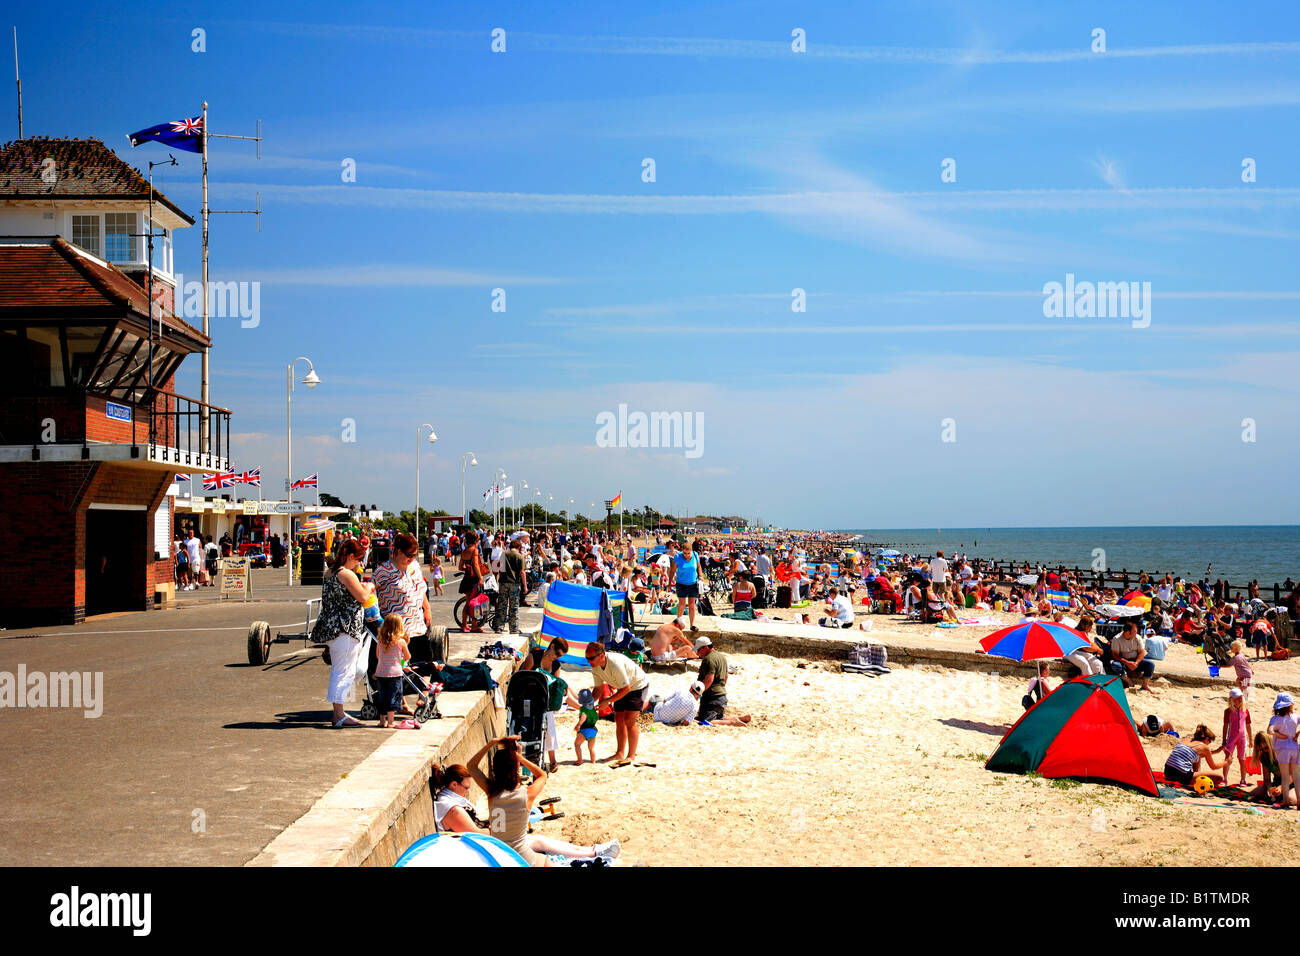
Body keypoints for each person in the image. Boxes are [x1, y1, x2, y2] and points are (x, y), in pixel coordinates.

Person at [466, 735, 619, 866]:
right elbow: (542, 775)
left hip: (498, 852)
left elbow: (471, 766)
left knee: (537, 840)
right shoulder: (526, 793)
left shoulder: (491, 792)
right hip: (519, 856)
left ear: (495, 769)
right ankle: (594, 853)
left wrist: (492, 742)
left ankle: (595, 851)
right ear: (516, 767)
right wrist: (520, 757)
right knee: (545, 861)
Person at [319, 539, 373, 728]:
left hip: (333, 628)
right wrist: (369, 586)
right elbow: (363, 597)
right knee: (344, 671)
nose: (359, 563)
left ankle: (339, 712)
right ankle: (339, 714)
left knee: (340, 669)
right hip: (345, 628)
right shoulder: (346, 574)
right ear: (350, 556)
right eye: (358, 559)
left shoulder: (330, 572)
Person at [584, 641, 650, 766]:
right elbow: (598, 689)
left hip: (638, 686)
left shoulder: (614, 663)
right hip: (621, 687)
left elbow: (627, 689)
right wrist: (588, 706)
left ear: (601, 656)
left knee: (629, 721)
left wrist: (608, 700)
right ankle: (619, 753)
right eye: (587, 658)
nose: (588, 661)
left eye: (591, 658)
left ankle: (631, 755)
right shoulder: (595, 667)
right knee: (619, 719)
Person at [374, 613, 419, 729]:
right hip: (395, 674)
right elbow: (407, 656)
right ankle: (390, 722)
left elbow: (378, 656)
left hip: (381, 673)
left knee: (382, 696)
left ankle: (381, 721)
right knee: (393, 696)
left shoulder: (380, 641)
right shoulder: (401, 642)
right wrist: (403, 664)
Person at [693, 636, 751, 726]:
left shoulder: (708, 659)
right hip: (722, 697)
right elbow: (725, 677)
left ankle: (733, 722)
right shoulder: (721, 657)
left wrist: (698, 693)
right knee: (718, 718)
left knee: (705, 720)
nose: (698, 653)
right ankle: (741, 718)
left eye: (699, 650)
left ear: (706, 647)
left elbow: (709, 679)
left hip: (712, 698)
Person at [430, 764, 487, 833]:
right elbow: (476, 834)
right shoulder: (453, 809)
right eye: (466, 788)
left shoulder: (450, 797)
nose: (467, 791)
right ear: (454, 784)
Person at [1268, 693, 1300, 808]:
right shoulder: (1295, 717)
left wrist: (1279, 734)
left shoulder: (1276, 718)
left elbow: (1269, 731)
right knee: (1296, 776)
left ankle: (1285, 802)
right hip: (1295, 747)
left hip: (1283, 749)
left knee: (1285, 777)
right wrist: (1297, 733)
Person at [1108, 619, 1154, 692]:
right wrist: (1127, 662)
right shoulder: (1117, 639)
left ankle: (1145, 684)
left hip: (1135, 661)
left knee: (1150, 664)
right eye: (1134, 632)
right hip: (1123, 662)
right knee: (1115, 665)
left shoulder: (1137, 637)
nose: (1136, 633)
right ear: (1128, 632)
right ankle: (1128, 681)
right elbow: (1115, 655)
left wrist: (1136, 663)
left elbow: (1142, 652)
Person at [1218, 688, 1252, 786]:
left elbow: (1248, 726)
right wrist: (1224, 740)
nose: (1240, 700)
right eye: (1237, 698)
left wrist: (1250, 739)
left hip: (1242, 739)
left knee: (1242, 759)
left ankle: (1243, 779)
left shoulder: (1246, 711)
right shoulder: (1228, 711)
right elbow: (1225, 726)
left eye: (1241, 698)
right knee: (1228, 758)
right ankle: (1224, 779)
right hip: (1231, 738)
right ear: (1232, 700)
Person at [494, 539, 526, 635]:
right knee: (514, 606)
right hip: (514, 583)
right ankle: (513, 628)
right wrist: (525, 586)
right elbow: (522, 572)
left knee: (502, 605)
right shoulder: (520, 556)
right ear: (519, 547)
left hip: (503, 582)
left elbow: (498, 566)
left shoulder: (504, 554)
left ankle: (499, 627)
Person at [674, 539, 703, 631]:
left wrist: (701, 576)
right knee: (682, 604)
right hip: (681, 583)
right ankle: (678, 623)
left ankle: (692, 625)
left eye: (688, 553)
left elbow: (699, 566)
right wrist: (670, 581)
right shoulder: (678, 556)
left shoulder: (695, 555)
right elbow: (673, 569)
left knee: (692, 605)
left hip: (693, 583)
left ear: (691, 551)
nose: (686, 555)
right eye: (684, 553)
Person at [574, 688, 600, 766]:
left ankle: (580, 760)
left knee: (577, 745)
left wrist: (579, 725)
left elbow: (583, 716)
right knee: (591, 748)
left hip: (585, 730)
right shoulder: (593, 709)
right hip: (593, 730)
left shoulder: (583, 709)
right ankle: (593, 761)